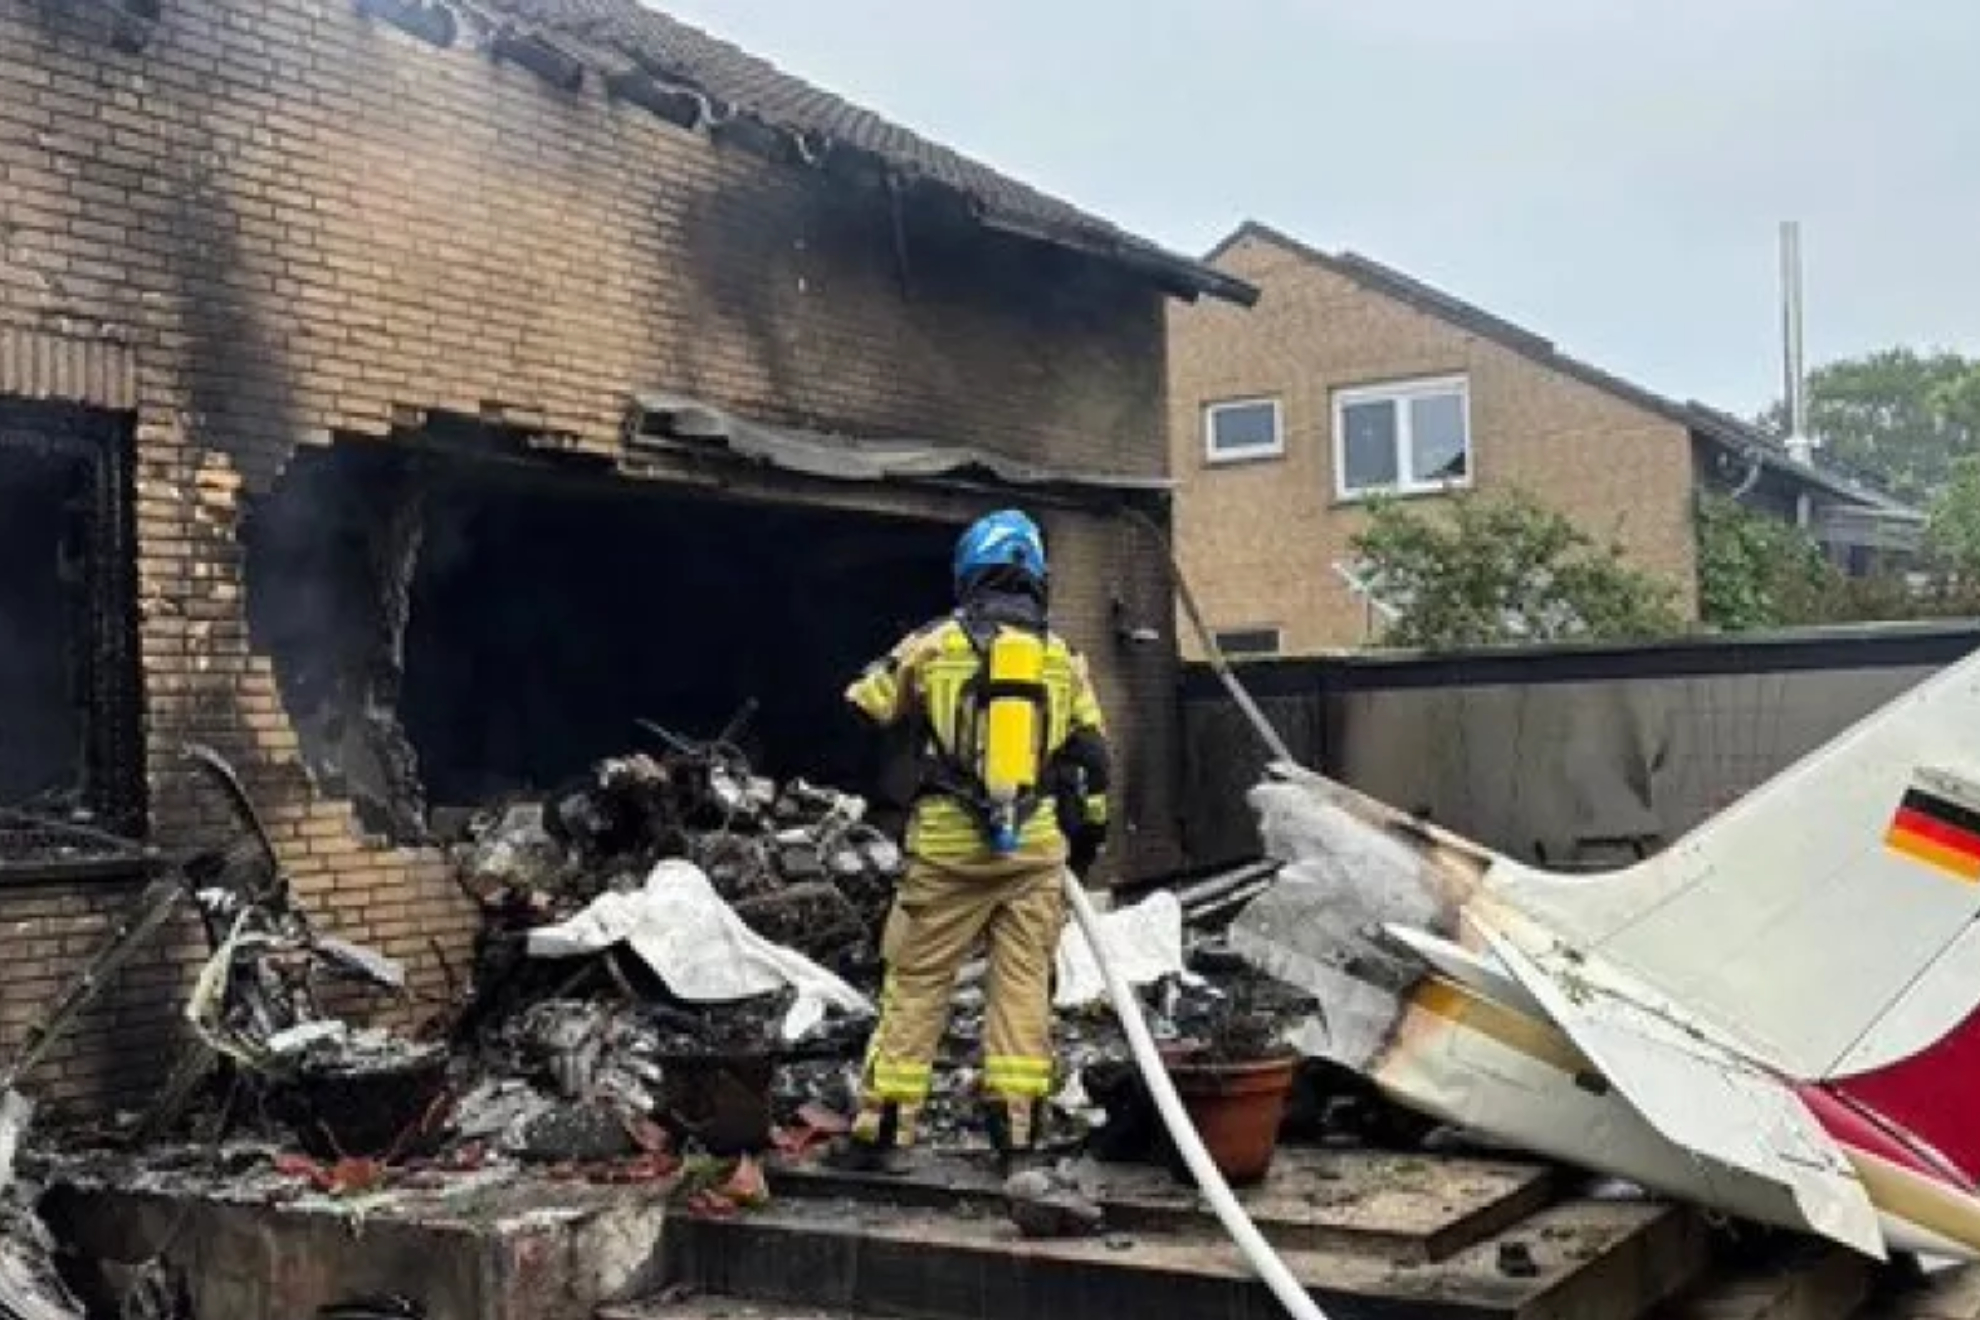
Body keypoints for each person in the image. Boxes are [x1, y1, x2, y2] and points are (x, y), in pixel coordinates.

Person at [831, 508, 1111, 1174]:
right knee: (1022, 992)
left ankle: (883, 1136)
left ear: (968, 572)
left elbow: (865, 701)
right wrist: (1086, 841)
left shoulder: (935, 643)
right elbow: (1096, 759)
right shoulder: (1063, 657)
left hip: (948, 849)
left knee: (916, 985)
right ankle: (1018, 1142)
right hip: (1035, 850)